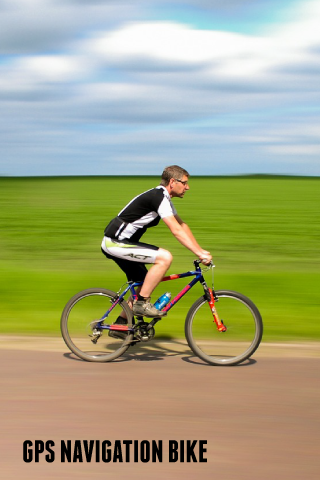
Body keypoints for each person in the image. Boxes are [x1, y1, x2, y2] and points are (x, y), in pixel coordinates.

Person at [101, 165, 212, 332]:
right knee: (165, 257)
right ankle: (142, 304)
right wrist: (198, 253)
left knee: (145, 283)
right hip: (115, 243)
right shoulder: (159, 197)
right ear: (173, 182)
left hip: (122, 243)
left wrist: (201, 250)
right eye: (185, 183)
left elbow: (182, 226)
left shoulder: (164, 198)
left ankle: (120, 326)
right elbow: (175, 230)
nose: (187, 187)